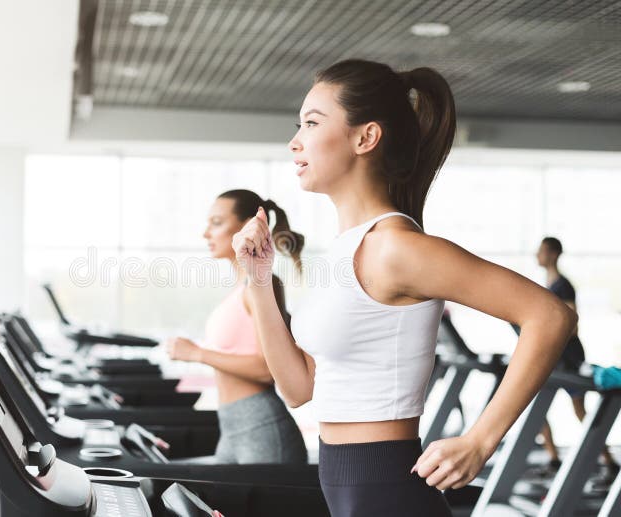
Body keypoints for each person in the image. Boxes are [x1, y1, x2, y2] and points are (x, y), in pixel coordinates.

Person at [231, 59, 578, 516]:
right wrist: (257, 283)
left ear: (366, 137)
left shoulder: (395, 247)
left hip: (386, 488)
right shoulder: (342, 251)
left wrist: (480, 440)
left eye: (312, 123)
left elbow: (551, 316)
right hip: (344, 480)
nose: (296, 140)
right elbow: (298, 388)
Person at [165, 189, 307, 465]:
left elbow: (269, 370)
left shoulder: (264, 285)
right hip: (232, 428)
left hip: (261, 427)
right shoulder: (239, 288)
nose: (206, 233)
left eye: (216, 223)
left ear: (246, 228)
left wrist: (197, 353)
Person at [531, 236, 619, 479]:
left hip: (568, 356)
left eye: (541, 251)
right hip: (553, 354)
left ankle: (609, 460)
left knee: (580, 412)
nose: (536, 255)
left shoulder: (563, 286)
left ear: (552, 254)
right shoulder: (550, 285)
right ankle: (553, 457)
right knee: (535, 404)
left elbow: (572, 325)